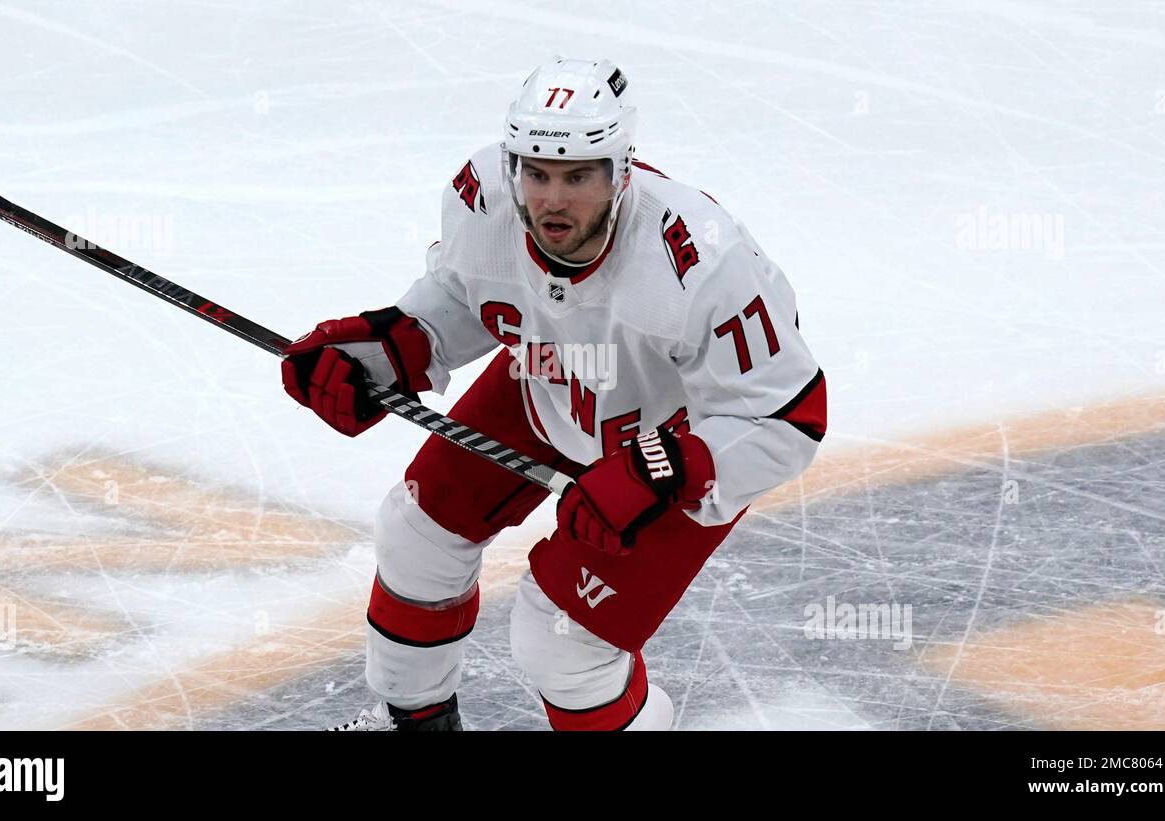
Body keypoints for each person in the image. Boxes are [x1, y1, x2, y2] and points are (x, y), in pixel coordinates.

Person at [282, 57, 827, 731]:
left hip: (671, 441)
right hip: (550, 380)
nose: (553, 199)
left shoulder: (701, 259)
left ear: (620, 172)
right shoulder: (482, 196)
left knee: (560, 642)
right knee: (416, 532)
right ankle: (412, 722)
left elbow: (786, 416)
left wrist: (658, 468)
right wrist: (392, 347)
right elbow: (466, 295)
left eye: (578, 176)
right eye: (536, 173)